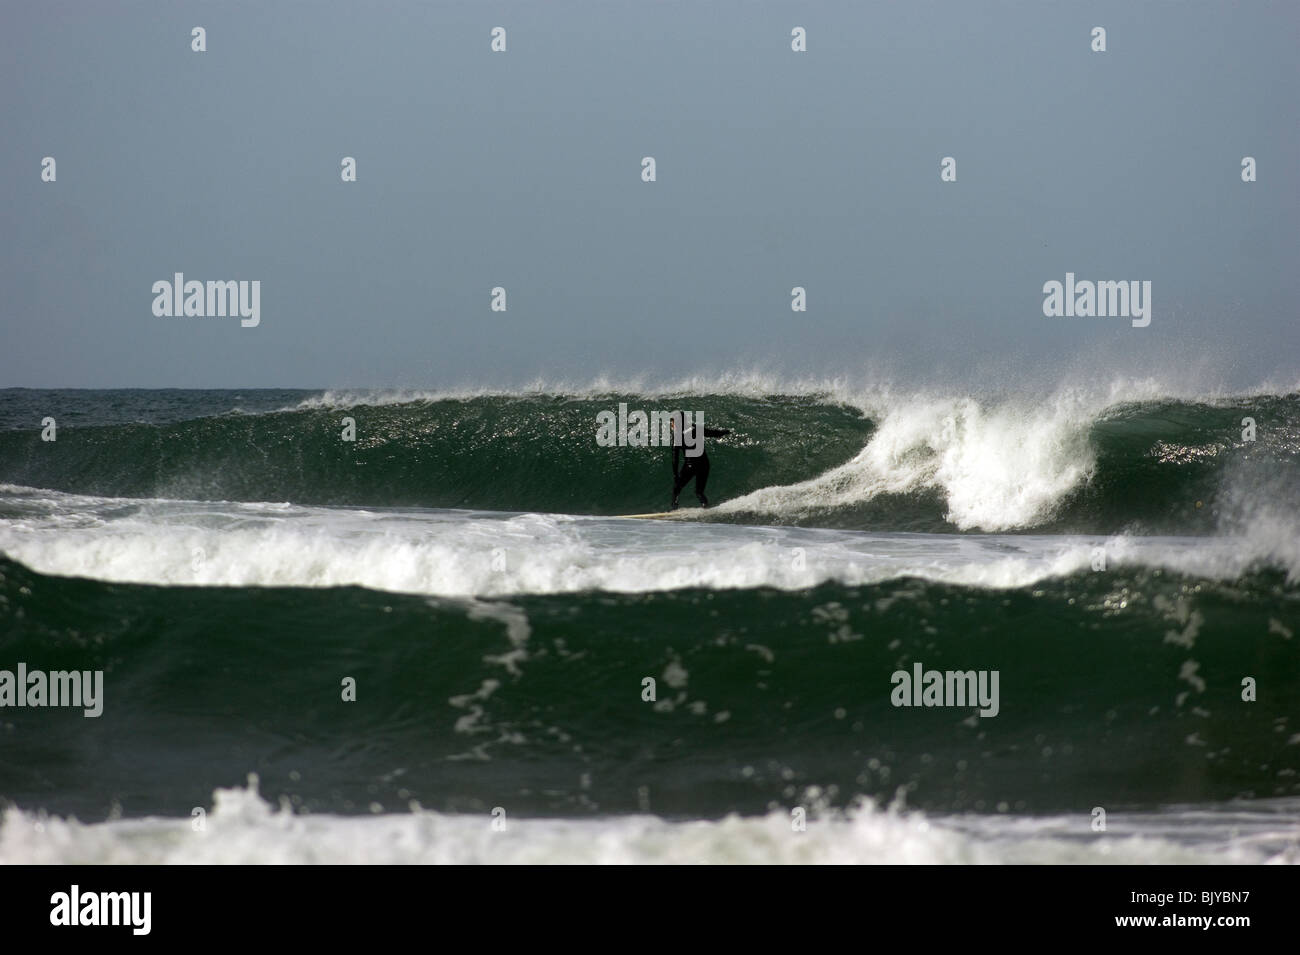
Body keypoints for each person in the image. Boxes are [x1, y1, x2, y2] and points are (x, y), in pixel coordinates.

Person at [669, 415, 731, 508]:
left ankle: (674, 507)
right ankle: (705, 505)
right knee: (699, 492)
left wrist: (675, 474)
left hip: (691, 465)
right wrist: (725, 432)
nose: (672, 425)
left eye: (672, 423)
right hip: (704, 464)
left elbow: (675, 458)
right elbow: (712, 433)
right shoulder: (695, 427)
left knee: (676, 488)